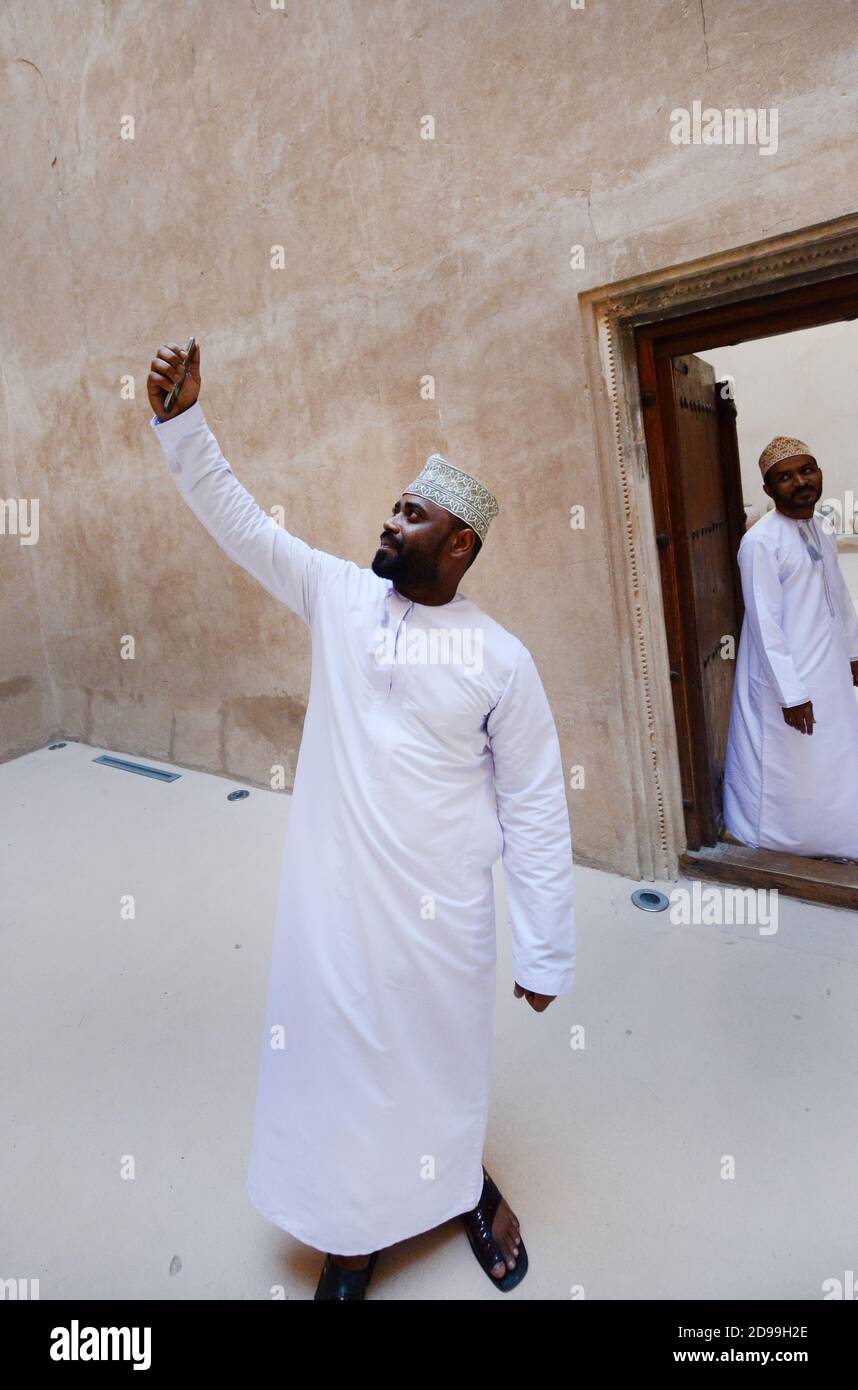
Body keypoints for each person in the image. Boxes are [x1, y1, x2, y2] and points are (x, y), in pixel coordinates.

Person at [146, 340, 576, 1299]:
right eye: (394, 505)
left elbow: (537, 806)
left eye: (413, 514)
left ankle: (461, 1185)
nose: (390, 521)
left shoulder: (500, 660)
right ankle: (351, 1233)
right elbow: (241, 521)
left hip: (442, 918)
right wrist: (182, 425)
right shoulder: (338, 597)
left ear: (460, 544)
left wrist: (544, 949)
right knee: (340, 1066)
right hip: (334, 908)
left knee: (440, 1059)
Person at [723, 435, 858, 861]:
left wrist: (852, 652)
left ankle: (840, 830)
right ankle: (787, 835)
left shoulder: (819, 526)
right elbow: (764, 623)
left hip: (829, 664)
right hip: (790, 673)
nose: (801, 481)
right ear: (768, 489)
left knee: (833, 754)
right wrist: (791, 694)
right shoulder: (761, 542)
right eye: (785, 476)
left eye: (807, 470)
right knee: (797, 758)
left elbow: (839, 595)